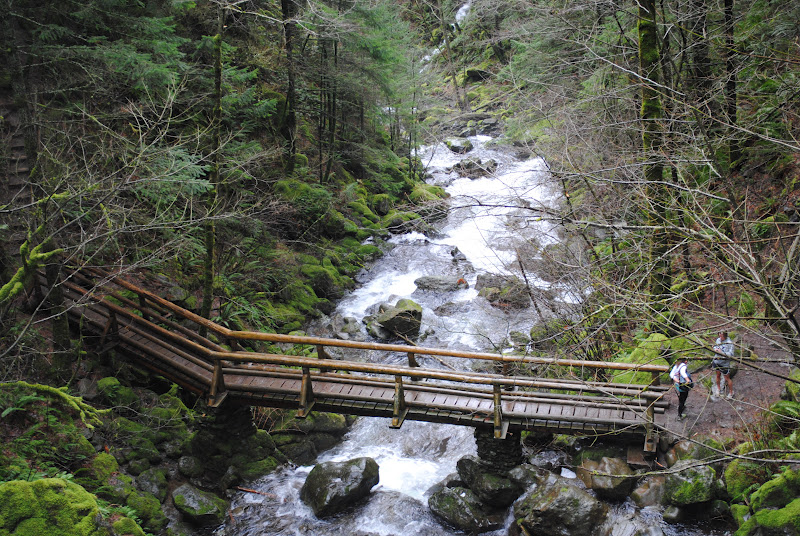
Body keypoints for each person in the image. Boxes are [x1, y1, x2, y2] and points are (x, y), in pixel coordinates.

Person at [712, 331, 735, 399]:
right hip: (717, 361)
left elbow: (731, 354)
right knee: (718, 375)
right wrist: (715, 349)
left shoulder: (730, 343)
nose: (720, 337)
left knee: (727, 378)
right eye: (719, 336)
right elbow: (715, 346)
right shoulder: (718, 340)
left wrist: (721, 352)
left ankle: (731, 392)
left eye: (721, 336)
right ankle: (718, 389)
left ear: (725, 336)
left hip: (724, 363)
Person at [670, 356, 694, 421]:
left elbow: (671, 374)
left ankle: (681, 407)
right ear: (685, 361)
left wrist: (676, 380)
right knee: (683, 398)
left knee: (681, 396)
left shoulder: (676, 365)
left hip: (678, 384)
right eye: (686, 360)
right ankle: (680, 414)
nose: (687, 361)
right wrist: (688, 380)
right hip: (683, 385)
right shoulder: (683, 365)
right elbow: (683, 373)